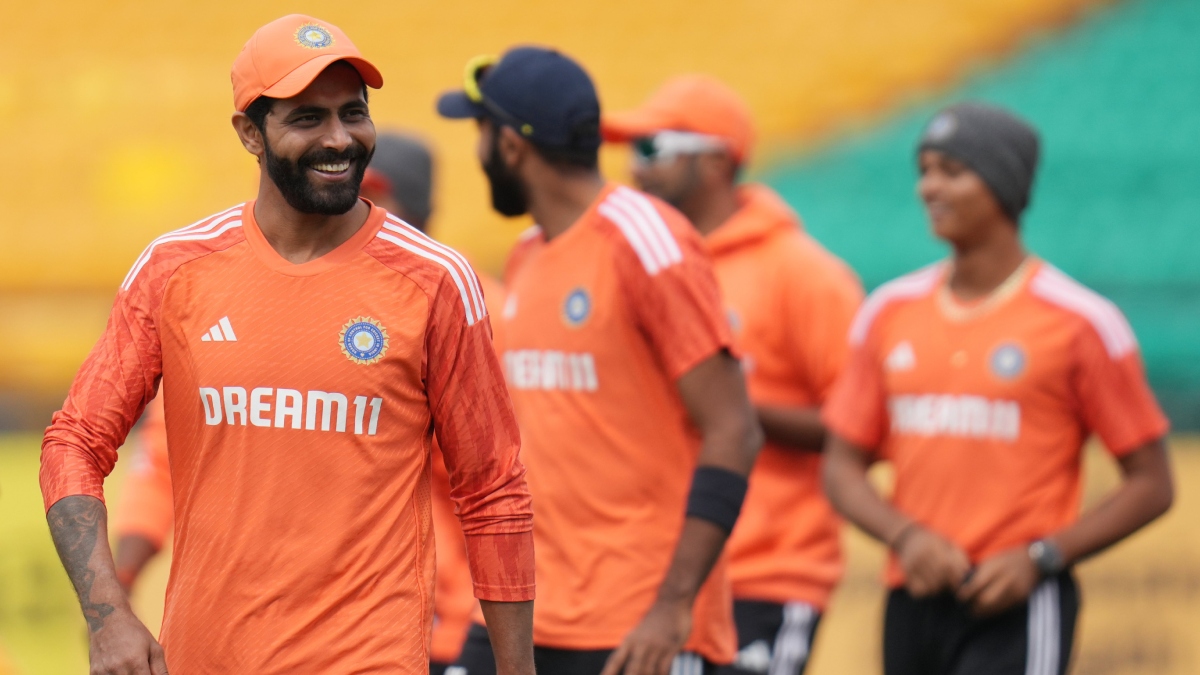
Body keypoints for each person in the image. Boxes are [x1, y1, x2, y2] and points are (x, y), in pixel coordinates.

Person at [40, 15, 536, 674]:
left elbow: (492, 488)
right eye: (307, 118)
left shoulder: (436, 281)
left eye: (352, 113)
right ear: (250, 132)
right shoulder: (174, 271)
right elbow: (75, 439)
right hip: (207, 659)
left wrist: (517, 667)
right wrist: (108, 614)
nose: (341, 138)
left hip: (372, 658)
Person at [436, 47, 764, 675]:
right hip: (530, 614)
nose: (477, 154)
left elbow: (734, 428)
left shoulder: (647, 242)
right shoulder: (530, 254)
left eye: (479, 133)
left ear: (509, 147)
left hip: (637, 628)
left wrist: (672, 610)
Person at [108, 130, 486, 673]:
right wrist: (118, 591)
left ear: (424, 208)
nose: (350, 197)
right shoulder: (234, 288)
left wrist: (486, 627)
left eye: (377, 191)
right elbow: (164, 457)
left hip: (422, 632)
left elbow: (495, 485)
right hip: (250, 639)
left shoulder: (463, 302)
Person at [821, 102, 1175, 675]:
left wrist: (1041, 558)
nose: (929, 187)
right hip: (911, 597)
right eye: (924, 170)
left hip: (1018, 599)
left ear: (1004, 186)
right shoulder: (888, 310)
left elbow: (1153, 484)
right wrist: (906, 537)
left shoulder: (1079, 322)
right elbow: (841, 466)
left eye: (952, 171)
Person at [603, 75, 863, 675]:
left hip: (764, 574)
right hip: (657, 571)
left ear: (717, 160)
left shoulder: (803, 274)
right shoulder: (642, 265)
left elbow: (858, 428)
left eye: (651, 149)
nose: (634, 170)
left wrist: (721, 402)